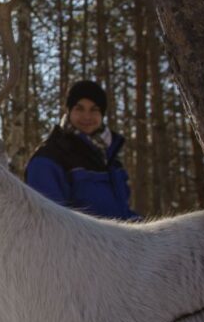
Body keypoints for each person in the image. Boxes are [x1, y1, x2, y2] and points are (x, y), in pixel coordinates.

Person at [25, 80, 138, 220]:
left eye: (94, 109)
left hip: (115, 241)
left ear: (102, 114)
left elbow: (121, 214)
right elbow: (49, 223)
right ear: (69, 111)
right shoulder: (48, 158)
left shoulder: (110, 158)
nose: (87, 116)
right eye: (79, 108)